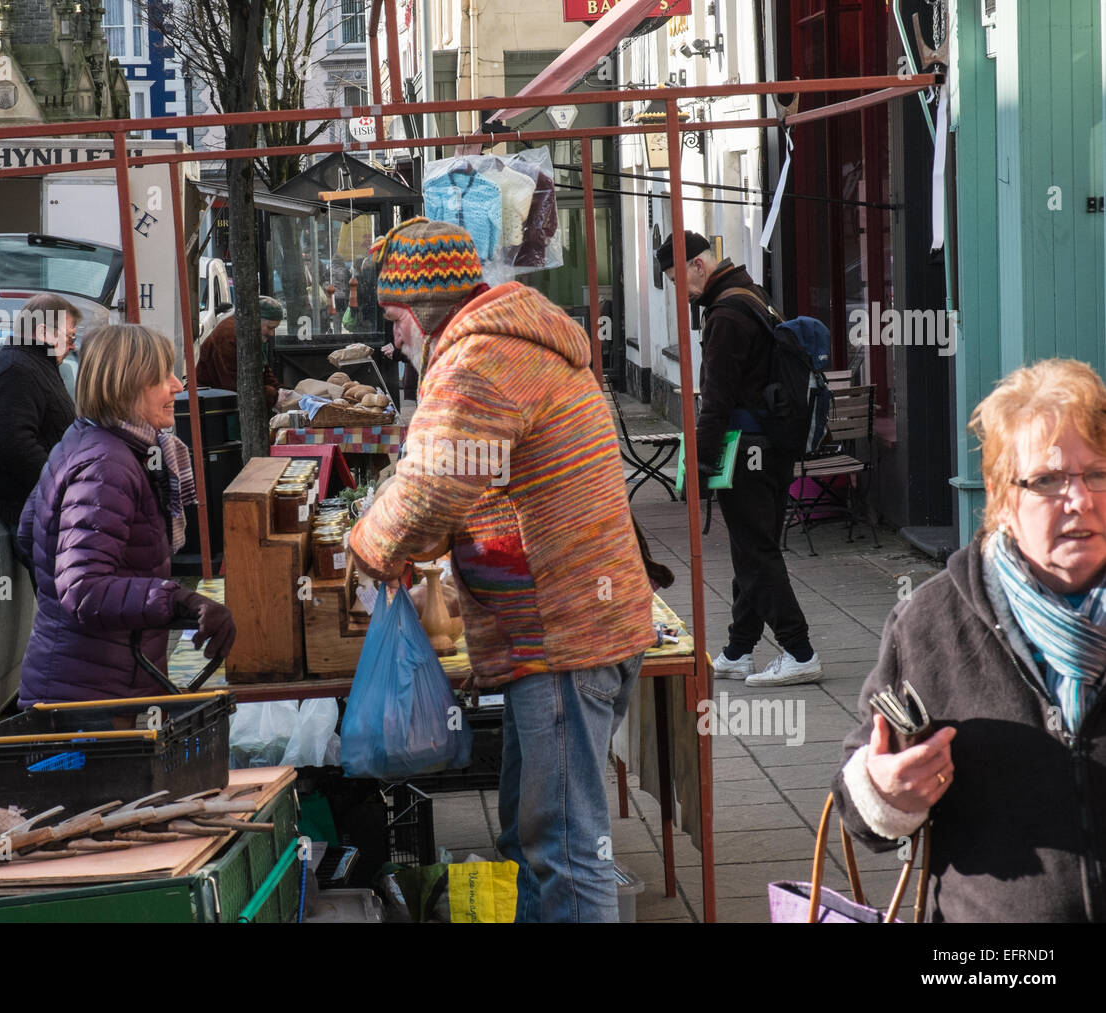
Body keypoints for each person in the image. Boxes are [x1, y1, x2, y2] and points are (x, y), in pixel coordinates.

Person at [348, 218, 654, 922]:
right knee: (528, 833)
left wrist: (366, 548)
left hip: (562, 641)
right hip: (563, 632)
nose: (392, 337)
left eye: (393, 318)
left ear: (422, 310)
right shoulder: (510, 339)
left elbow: (428, 490)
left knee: (568, 851)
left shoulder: (479, 357)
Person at [833, 358, 1106, 921]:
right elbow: (859, 808)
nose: (1080, 500)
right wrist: (885, 794)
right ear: (1003, 500)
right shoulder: (930, 622)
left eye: (1098, 473)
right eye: (1049, 480)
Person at [17, 324, 236, 706]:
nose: (177, 386)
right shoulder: (107, 464)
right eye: (163, 376)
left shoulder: (86, 440)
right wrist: (177, 600)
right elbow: (82, 587)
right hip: (94, 697)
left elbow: (28, 536)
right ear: (128, 385)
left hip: (92, 683)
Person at [656, 230, 821, 687]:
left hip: (745, 448)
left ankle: (799, 650)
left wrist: (697, 466)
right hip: (773, 446)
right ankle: (737, 651)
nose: (676, 288)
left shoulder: (725, 315)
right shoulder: (753, 294)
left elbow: (716, 400)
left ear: (698, 266)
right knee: (754, 548)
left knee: (756, 554)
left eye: (675, 278)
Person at [0, 293, 81, 547]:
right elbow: (16, 447)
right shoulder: (17, 370)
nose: (73, 346)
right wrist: (65, 487)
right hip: (38, 514)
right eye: (70, 337)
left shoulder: (35, 365)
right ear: (44, 332)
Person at [196, 295, 283, 411]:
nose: (272, 334)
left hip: (224, 402)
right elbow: (235, 386)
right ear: (255, 320)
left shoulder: (252, 334)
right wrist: (273, 394)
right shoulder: (228, 336)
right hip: (213, 407)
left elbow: (263, 369)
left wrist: (281, 390)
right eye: (270, 328)